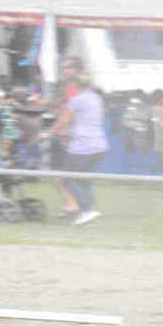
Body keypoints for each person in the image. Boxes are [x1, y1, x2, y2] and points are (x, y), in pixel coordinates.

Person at [51, 58, 109, 226]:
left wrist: (49, 132)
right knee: (84, 179)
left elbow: (63, 121)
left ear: (76, 86)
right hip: (99, 145)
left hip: (82, 146)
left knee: (67, 178)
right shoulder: (97, 99)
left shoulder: (76, 100)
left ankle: (86, 210)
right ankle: (90, 211)